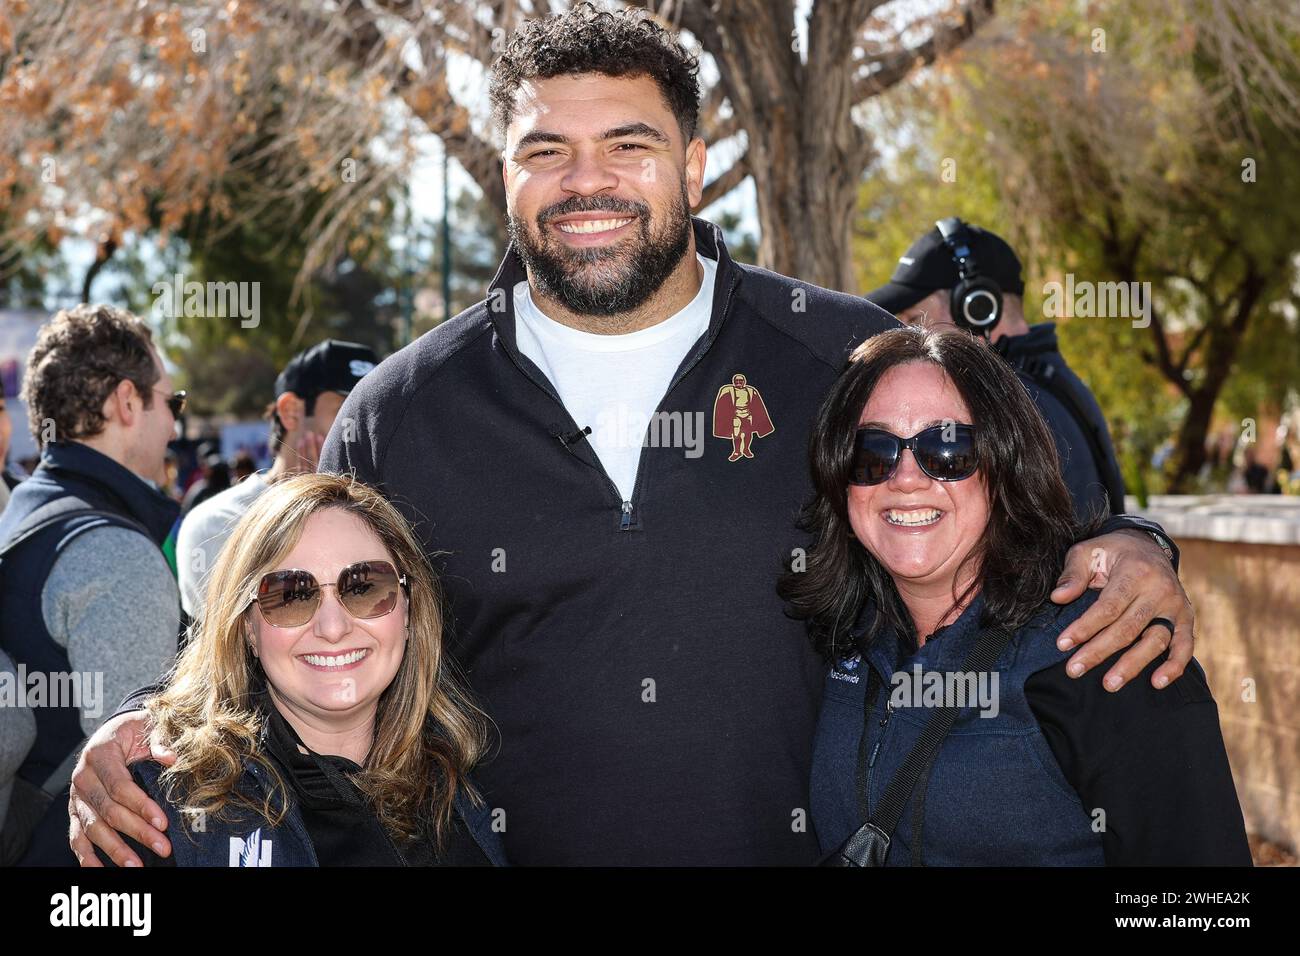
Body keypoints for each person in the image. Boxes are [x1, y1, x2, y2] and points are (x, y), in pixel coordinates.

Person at [72, 4, 1196, 868]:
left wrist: (1137, 540)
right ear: (504, 175)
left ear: (694, 166)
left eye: (627, 143)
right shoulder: (402, 410)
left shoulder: (843, 360)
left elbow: (1013, 523)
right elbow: (294, 638)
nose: (586, 182)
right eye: (545, 151)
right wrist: (134, 724)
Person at [783, 326, 1250, 865]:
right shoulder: (841, 635)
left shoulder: (1101, 645)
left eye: (947, 447)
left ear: (1005, 463)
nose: (905, 477)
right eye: (874, 451)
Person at [94, 473, 503, 866]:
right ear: (247, 628)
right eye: (290, 595)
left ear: (410, 609)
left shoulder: (469, 768)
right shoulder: (158, 800)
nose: (333, 627)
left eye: (364, 587)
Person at [0, 304, 182, 865]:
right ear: (128, 401)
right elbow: (144, 796)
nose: (176, 424)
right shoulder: (115, 554)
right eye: (171, 403)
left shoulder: (21, 508)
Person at [866, 219, 1127, 522]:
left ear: (977, 310)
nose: (907, 337)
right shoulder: (1046, 382)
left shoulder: (1014, 402)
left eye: (914, 320)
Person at [174, 339, 378, 622]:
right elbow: (241, 646)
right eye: (350, 411)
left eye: (377, 412)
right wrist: (310, 508)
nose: (367, 428)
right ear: (291, 412)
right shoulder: (217, 523)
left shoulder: (384, 511)